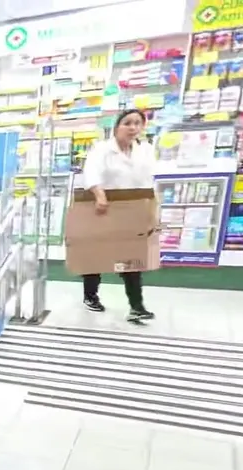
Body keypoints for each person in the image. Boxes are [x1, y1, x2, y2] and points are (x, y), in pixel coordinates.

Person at [79, 108, 156, 322]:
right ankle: (90, 296)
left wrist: (148, 206)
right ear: (116, 127)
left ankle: (136, 306)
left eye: (137, 123)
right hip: (102, 209)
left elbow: (147, 180)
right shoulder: (102, 149)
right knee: (96, 257)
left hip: (131, 211)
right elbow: (91, 173)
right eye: (127, 123)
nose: (133, 128)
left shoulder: (145, 150)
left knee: (131, 259)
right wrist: (99, 195)